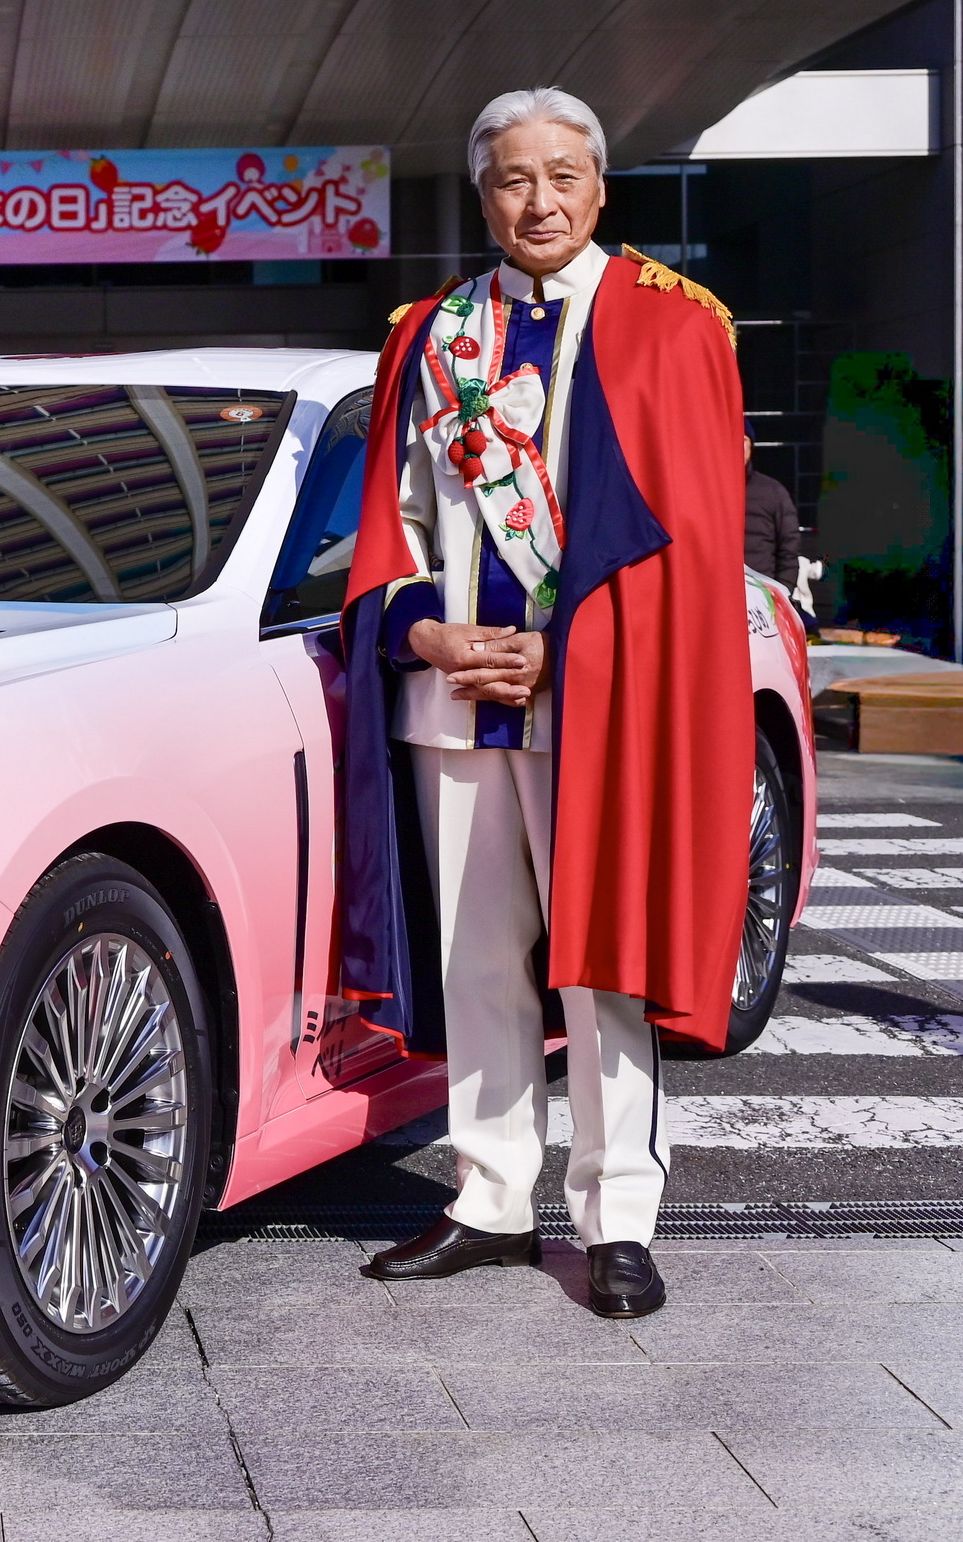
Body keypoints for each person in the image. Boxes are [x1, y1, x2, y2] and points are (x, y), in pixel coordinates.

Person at [337, 88, 751, 1320]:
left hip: (606, 707)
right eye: (515, 179)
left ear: (601, 188)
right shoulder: (428, 337)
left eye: (564, 175)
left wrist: (562, 654)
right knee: (478, 962)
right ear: (483, 194)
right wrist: (420, 627)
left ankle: (618, 1214)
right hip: (456, 700)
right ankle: (490, 1196)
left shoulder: (677, 330)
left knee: (602, 967)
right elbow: (391, 524)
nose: (541, 200)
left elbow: (688, 544)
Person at [744, 422, 801, 591]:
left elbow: (789, 549)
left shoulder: (773, 492)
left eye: (744, 439)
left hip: (763, 595)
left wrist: (783, 591)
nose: (739, 445)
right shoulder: (708, 490)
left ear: (751, 446)